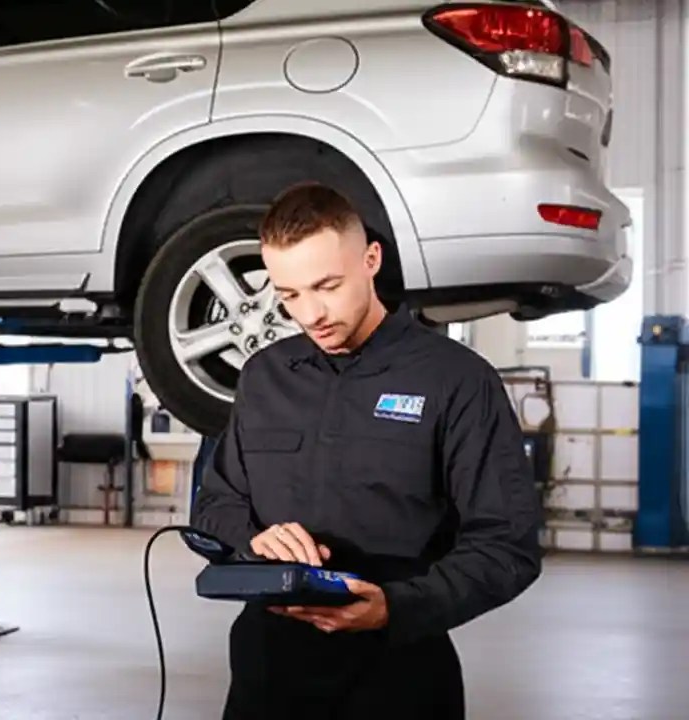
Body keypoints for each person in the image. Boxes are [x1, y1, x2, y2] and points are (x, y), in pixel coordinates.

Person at [190, 182, 543, 719]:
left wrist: (395, 609)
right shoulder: (264, 377)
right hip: (267, 675)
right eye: (288, 295)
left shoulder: (456, 380)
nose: (310, 313)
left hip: (398, 676)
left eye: (327, 285)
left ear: (370, 260)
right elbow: (214, 507)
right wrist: (256, 538)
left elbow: (507, 546)